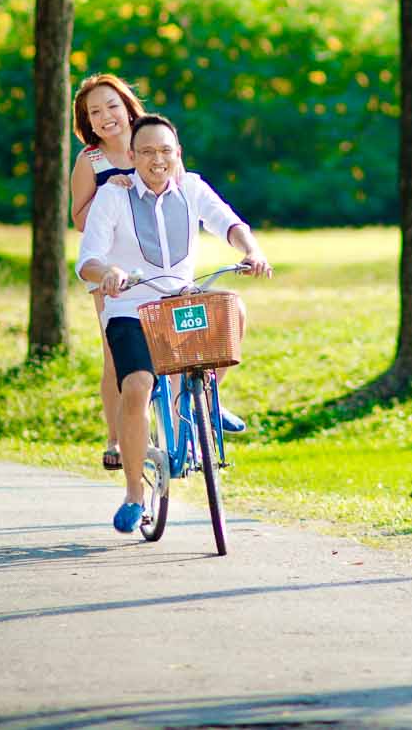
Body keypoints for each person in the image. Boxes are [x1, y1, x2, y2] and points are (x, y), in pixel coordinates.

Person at [76, 113, 271, 534]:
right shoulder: (113, 196)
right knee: (137, 386)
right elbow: (87, 259)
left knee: (233, 309)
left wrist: (251, 250)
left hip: (180, 303)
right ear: (131, 156)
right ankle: (133, 493)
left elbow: (230, 224)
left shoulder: (193, 188)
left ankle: (204, 396)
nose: (157, 160)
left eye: (165, 151)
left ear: (177, 154)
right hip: (131, 306)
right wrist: (107, 273)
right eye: (146, 152)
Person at [69, 73, 143, 471]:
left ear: (127, 105)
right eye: (94, 112)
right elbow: (79, 219)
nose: (106, 116)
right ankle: (115, 438)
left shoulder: (153, 140)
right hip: (109, 272)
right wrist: (106, 192)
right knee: (115, 356)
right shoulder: (90, 160)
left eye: (112, 105)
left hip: (158, 266)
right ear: (88, 122)